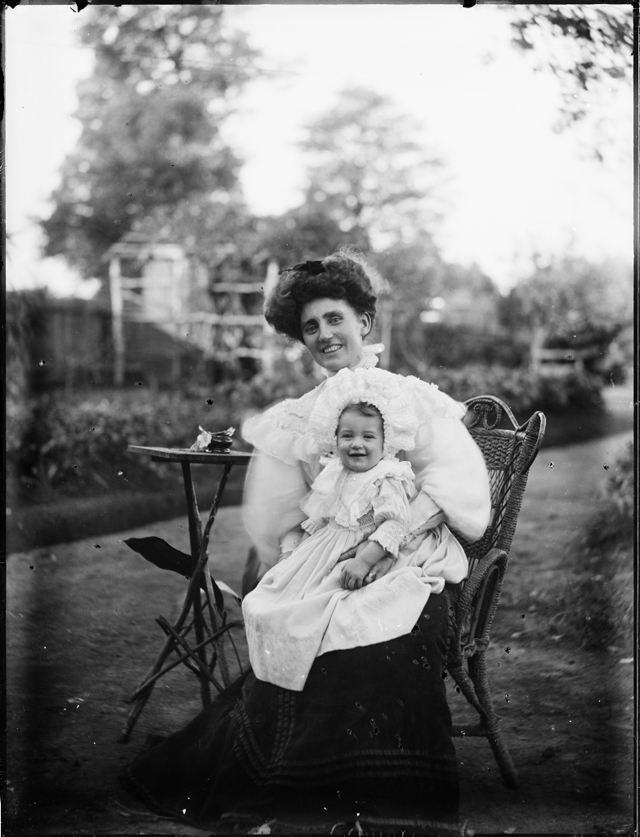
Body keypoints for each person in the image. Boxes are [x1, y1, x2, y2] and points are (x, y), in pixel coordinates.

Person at [122, 249, 491, 834]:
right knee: (297, 623)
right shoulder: (302, 415)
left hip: (409, 550)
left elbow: (453, 484)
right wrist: (302, 550)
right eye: (311, 326)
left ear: (364, 322)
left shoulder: (405, 396)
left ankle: (375, 795)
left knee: (366, 636)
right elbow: (279, 515)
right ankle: (301, 795)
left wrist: (378, 547)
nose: (324, 334)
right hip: (331, 555)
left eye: (335, 319)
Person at [243, 395, 419, 692]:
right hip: (324, 545)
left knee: (315, 612)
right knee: (271, 596)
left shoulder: (387, 477)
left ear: (384, 443)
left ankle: (308, 675)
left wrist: (363, 561)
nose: (356, 444)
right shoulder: (336, 473)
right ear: (335, 440)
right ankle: (277, 680)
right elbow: (320, 519)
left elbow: (395, 524)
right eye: (347, 436)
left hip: (357, 549)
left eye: (368, 437)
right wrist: (292, 552)